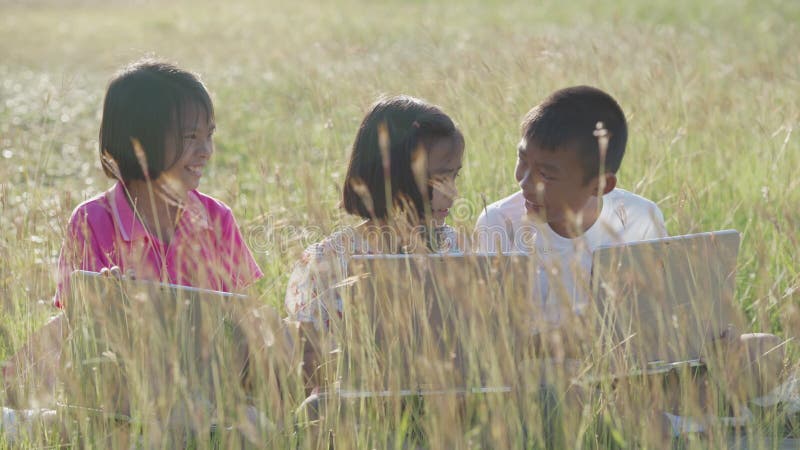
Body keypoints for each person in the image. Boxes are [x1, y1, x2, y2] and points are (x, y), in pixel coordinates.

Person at [474, 85, 794, 437]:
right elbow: (494, 345)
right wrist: (576, 339)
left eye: (546, 174)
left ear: (600, 185)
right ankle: (700, 420)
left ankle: (681, 418)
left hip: (643, 373)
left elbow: (664, 315)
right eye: (522, 160)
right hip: (561, 378)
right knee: (567, 394)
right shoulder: (498, 223)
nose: (524, 181)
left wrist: (709, 335)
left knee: (767, 349)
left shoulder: (639, 216)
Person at [1, 59, 266, 441]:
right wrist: (110, 308)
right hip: (115, 405)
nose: (206, 149)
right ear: (139, 142)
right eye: (190, 137)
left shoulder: (216, 219)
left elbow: (246, 323)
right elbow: (78, 335)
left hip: (202, 401)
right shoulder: (93, 221)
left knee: (255, 428)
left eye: (209, 134)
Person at [284, 95, 464, 385]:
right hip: (358, 404)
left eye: (455, 177)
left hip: (443, 398)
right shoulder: (328, 261)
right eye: (441, 178)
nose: (453, 192)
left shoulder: (455, 251)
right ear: (397, 177)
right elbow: (310, 369)